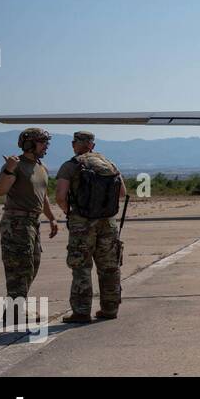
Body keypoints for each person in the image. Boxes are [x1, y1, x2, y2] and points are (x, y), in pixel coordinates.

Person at [54, 131, 125, 323]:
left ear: (74, 144)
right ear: (92, 145)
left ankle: (82, 311)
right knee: (110, 266)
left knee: (81, 267)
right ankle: (110, 309)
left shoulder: (71, 166)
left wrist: (71, 213)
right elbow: (122, 193)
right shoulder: (109, 164)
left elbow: (60, 197)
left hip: (82, 223)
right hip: (108, 222)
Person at [0, 128, 60, 307]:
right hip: (16, 223)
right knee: (19, 268)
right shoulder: (15, 165)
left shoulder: (41, 168)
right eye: (42, 142)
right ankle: (16, 311)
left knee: (32, 265)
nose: (46, 146)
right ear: (29, 144)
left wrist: (52, 218)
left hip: (32, 223)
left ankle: (16, 307)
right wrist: (8, 170)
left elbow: (42, 196)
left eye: (46, 142)